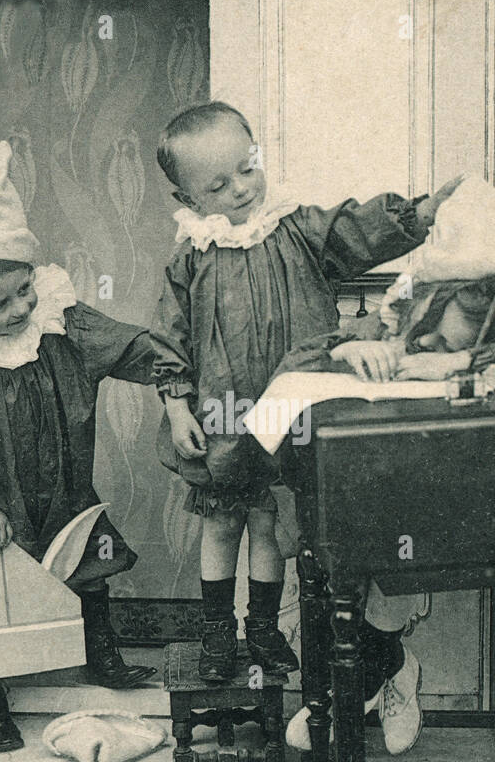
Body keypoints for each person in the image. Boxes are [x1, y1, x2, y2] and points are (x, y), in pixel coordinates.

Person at [278, 173, 495, 755]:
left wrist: (463, 363)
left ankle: (372, 669)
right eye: (446, 337)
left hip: (480, 494)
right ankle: (388, 663)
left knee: (409, 527)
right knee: (370, 522)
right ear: (434, 301)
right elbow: (301, 357)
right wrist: (350, 348)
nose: (443, 348)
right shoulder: (403, 316)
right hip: (402, 489)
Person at [149, 100, 463, 683]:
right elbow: (170, 337)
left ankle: (264, 628)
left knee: (271, 521)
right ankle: (219, 632)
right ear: (190, 201)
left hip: (294, 407)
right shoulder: (190, 258)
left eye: (247, 168)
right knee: (222, 522)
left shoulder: (297, 227)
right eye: (219, 185)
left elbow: (358, 230)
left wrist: (418, 213)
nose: (243, 189)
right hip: (222, 414)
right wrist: (174, 405)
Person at [0, 141, 157, 753]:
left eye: (24, 290)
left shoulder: (58, 321)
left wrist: (176, 371)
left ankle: (102, 656)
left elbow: (124, 345)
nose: (20, 308)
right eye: (0, 302)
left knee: (86, 562)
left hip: (58, 481)